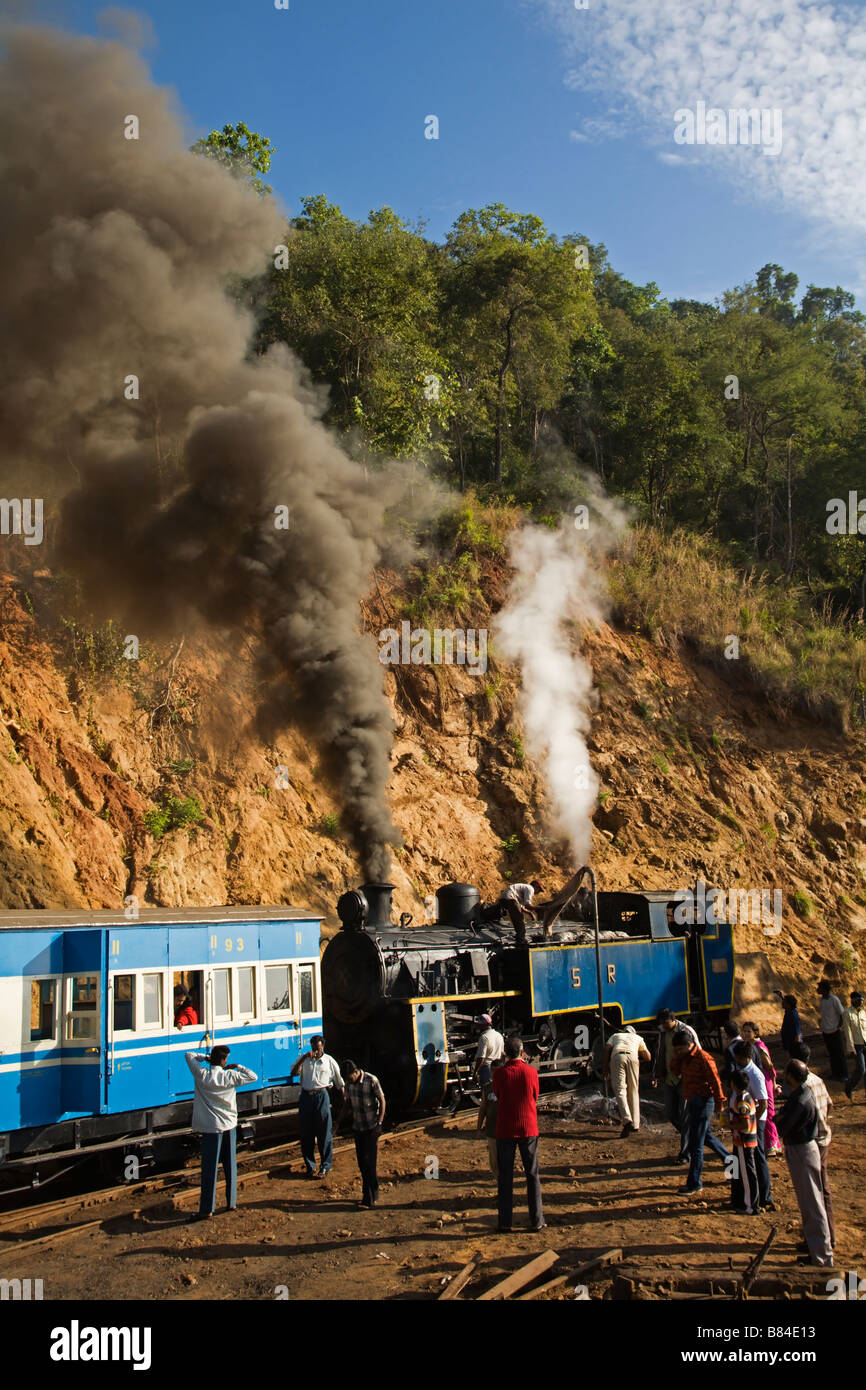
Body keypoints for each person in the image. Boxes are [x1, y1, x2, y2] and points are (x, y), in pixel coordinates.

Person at [185, 1046, 257, 1221]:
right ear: (225, 1060)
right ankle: (231, 1202)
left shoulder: (202, 1075)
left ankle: (207, 1209)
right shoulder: (230, 1076)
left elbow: (189, 1055)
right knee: (230, 1164)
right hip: (229, 1125)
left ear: (212, 1059)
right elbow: (253, 1076)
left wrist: (206, 1058)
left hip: (211, 1128)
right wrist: (238, 1066)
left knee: (209, 1169)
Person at [776, 1060, 834, 1267]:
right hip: (804, 1148)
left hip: (803, 1150)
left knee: (812, 1204)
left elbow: (782, 1127)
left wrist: (778, 1119)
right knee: (810, 1203)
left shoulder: (800, 1099)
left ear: (791, 1076)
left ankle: (822, 1256)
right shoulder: (803, 1093)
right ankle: (816, 1251)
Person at [491, 1035, 545, 1232]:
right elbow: (535, 1095)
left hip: (505, 1129)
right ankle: (537, 1220)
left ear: (505, 1054)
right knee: (532, 1175)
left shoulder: (498, 1074)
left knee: (505, 1177)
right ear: (522, 1052)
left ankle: (505, 1222)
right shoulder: (531, 1072)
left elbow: (497, 1094)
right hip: (528, 1128)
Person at [670, 1029, 731, 1194]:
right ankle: (731, 1161)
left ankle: (694, 1183)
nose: (677, 1052)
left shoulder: (704, 1058)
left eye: (680, 1049)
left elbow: (715, 1081)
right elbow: (674, 1070)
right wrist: (678, 1057)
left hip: (704, 1102)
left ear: (689, 1045)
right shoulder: (684, 1059)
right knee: (706, 1137)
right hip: (692, 1101)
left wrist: (720, 1104)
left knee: (696, 1144)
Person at [789, 1042, 835, 1250]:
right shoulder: (818, 1081)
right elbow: (830, 1106)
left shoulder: (802, 1091)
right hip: (823, 1137)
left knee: (815, 1193)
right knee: (820, 1190)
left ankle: (823, 1239)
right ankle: (824, 1236)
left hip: (810, 1142)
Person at [290, 1035, 345, 1179]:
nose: (315, 1050)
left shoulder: (329, 1061)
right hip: (306, 1096)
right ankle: (310, 1166)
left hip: (322, 1095)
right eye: (313, 1047)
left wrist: (344, 1098)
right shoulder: (305, 1059)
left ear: (323, 1047)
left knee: (324, 1133)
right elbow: (294, 1072)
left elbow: (339, 1081)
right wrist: (303, 1058)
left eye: (318, 1047)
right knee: (306, 1133)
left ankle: (325, 1166)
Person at [731, 1041, 775, 1212]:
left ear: (747, 1057)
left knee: (756, 1158)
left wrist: (751, 1124)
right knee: (735, 1158)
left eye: (740, 1058)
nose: (737, 1060)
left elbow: (763, 1102)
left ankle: (764, 1196)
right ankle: (736, 1194)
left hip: (752, 1122)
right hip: (738, 1121)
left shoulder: (755, 1074)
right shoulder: (739, 1068)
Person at [651, 1009, 699, 1161]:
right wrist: (657, 1073)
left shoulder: (686, 1031)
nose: (663, 1026)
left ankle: (685, 1153)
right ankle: (691, 1136)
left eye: (665, 1023)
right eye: (661, 1024)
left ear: (673, 1020)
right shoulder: (663, 1032)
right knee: (670, 1112)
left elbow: (698, 1052)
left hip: (684, 1079)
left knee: (685, 1116)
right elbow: (660, 1053)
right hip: (670, 1079)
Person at [342, 1060, 386, 1209]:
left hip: (371, 1128)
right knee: (363, 1163)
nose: (349, 1081)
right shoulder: (349, 1083)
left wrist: (379, 1124)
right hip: (358, 1127)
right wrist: (338, 1122)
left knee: (368, 1162)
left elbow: (382, 1100)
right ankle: (374, 1192)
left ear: (356, 1072)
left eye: (350, 1078)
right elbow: (347, 1103)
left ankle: (367, 1199)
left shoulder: (371, 1080)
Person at [603, 1025, 651, 1137]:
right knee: (634, 1090)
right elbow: (648, 1057)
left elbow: (606, 1048)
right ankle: (635, 1124)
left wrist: (605, 1067)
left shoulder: (615, 1035)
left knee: (620, 1089)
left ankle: (626, 1119)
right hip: (633, 1057)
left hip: (617, 1057)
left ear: (624, 1031)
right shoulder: (638, 1038)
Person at [741, 1021, 781, 1156]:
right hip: (759, 1081)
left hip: (765, 1081)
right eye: (744, 1031)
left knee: (768, 1112)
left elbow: (769, 1066)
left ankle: (772, 1144)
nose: (746, 1034)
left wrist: (774, 1083)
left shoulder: (758, 1046)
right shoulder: (750, 1046)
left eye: (748, 1031)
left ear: (755, 1033)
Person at [725, 1069, 760, 1215]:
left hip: (744, 1141)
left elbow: (744, 1125)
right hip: (743, 1140)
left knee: (747, 1174)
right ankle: (741, 1201)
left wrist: (729, 1126)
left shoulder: (742, 1100)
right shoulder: (746, 1097)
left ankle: (751, 1206)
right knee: (740, 1171)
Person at [481, 881, 544, 948]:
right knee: (519, 919)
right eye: (539, 890)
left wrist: (531, 914)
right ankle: (521, 940)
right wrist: (541, 908)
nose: (538, 892)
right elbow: (528, 905)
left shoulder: (523, 888)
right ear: (536, 886)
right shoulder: (530, 888)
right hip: (510, 897)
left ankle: (485, 914)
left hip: (504, 897)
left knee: (499, 912)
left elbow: (522, 907)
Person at [817, 981, 847, 1081]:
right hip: (826, 1031)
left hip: (834, 1030)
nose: (818, 989)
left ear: (824, 989)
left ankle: (843, 1075)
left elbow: (842, 1013)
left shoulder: (834, 999)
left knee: (839, 1053)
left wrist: (839, 1026)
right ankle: (835, 1074)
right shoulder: (822, 1000)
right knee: (832, 1054)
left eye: (819, 988)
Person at [843, 989, 866, 1100]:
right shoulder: (847, 1013)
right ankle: (849, 1086)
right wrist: (851, 1048)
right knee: (861, 1070)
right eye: (859, 1000)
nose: (861, 1002)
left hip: (865, 1043)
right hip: (857, 1045)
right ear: (853, 1001)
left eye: (862, 1000)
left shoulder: (863, 1012)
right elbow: (848, 1032)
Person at [476, 1074, 500, 1178]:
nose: (495, 1073)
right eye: (492, 1070)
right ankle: (499, 1181)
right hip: (491, 1129)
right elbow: (482, 1109)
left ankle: (503, 1184)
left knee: (504, 1159)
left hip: (505, 1129)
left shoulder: (508, 1085)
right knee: (494, 1160)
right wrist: (479, 1128)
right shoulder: (487, 1088)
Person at [473, 1014, 505, 1086]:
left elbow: (481, 1057)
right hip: (498, 1067)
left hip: (487, 1069)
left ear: (483, 1025)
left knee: (487, 1092)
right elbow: (502, 1053)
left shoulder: (484, 1037)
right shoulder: (499, 1035)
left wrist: (475, 1072)